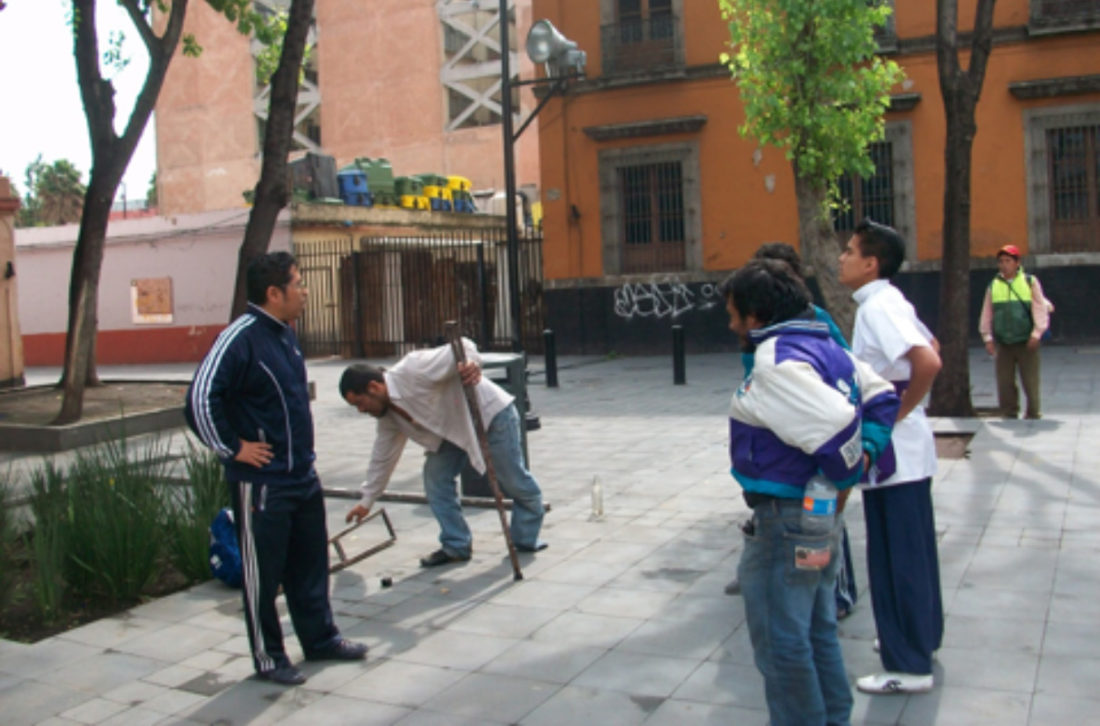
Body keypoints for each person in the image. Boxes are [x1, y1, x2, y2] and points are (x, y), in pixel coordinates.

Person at [723, 259, 900, 726]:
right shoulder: (825, 347)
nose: (731, 324)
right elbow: (881, 395)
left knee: (782, 641)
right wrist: (868, 451)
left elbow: (836, 426)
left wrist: (851, 467)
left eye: (734, 314)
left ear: (756, 317)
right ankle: (833, 718)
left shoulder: (777, 359)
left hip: (787, 524)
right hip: (816, 519)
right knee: (817, 628)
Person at [184, 252, 367, 687]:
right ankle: (269, 658)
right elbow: (198, 399)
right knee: (262, 574)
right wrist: (232, 448)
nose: (304, 291)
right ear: (273, 293)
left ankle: (320, 638)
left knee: (310, 563)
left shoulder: (284, 335)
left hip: (300, 475)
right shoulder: (240, 337)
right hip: (262, 483)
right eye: (298, 283)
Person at [724, 243, 860, 621]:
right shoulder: (761, 336)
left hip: (810, 463)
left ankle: (839, 592)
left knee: (823, 530)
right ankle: (807, 595)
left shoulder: (810, 324)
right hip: (780, 450)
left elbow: (848, 376)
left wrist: (850, 468)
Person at [837, 218, 944, 695]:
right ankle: (919, 637)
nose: (841, 258)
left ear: (870, 262)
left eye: (848, 250)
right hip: (907, 449)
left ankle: (908, 665)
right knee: (912, 549)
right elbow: (931, 344)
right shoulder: (888, 302)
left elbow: (929, 360)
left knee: (894, 554)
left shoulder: (878, 306)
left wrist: (896, 411)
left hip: (895, 451)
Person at [340, 340, 546, 566]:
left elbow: (462, 346)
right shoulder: (388, 418)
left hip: (489, 415)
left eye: (360, 403)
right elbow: (382, 459)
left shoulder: (413, 368)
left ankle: (526, 538)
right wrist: (366, 501)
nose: (361, 410)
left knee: (512, 479)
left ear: (374, 387)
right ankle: (456, 544)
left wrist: (470, 363)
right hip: (450, 432)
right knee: (435, 479)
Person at [978, 244, 1051, 419]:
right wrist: (987, 337)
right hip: (1004, 342)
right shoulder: (993, 285)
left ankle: (1033, 412)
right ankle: (1009, 411)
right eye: (1001, 261)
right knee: (1005, 381)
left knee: (1030, 380)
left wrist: (1036, 333)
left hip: (1026, 340)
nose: (1004, 265)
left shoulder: (1029, 281)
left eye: (1008, 261)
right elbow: (987, 312)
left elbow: (1040, 307)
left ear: (1017, 263)